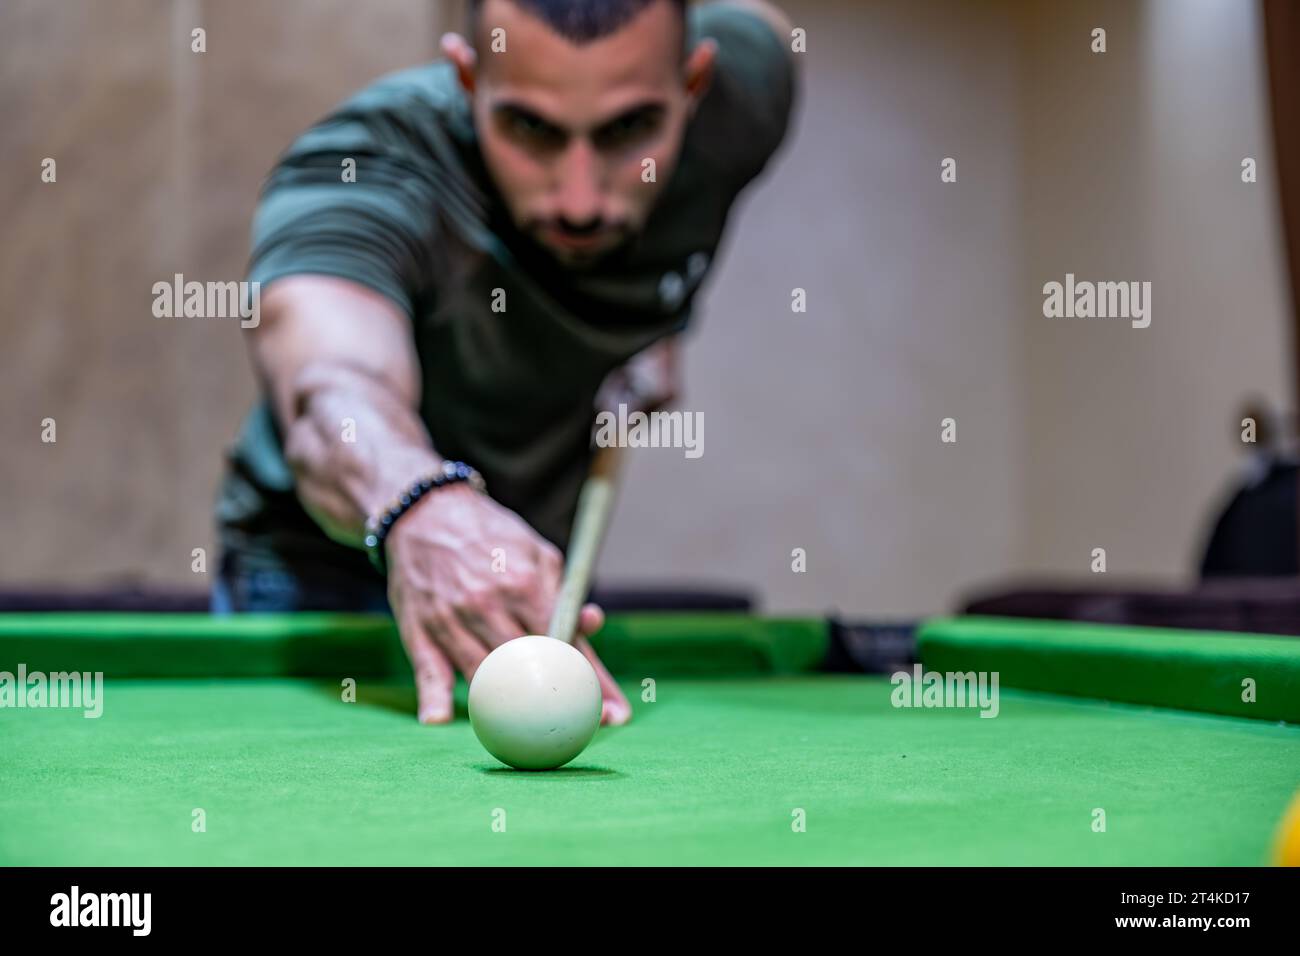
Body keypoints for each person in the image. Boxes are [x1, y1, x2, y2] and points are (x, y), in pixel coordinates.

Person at [214, 0, 798, 727]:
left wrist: (652, 324)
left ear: (695, 83)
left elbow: (767, 30)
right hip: (326, 569)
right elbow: (331, 389)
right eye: (531, 128)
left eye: (628, 129)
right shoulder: (369, 166)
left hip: (528, 559)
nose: (580, 199)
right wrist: (418, 503)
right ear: (466, 79)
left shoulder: (745, 96)